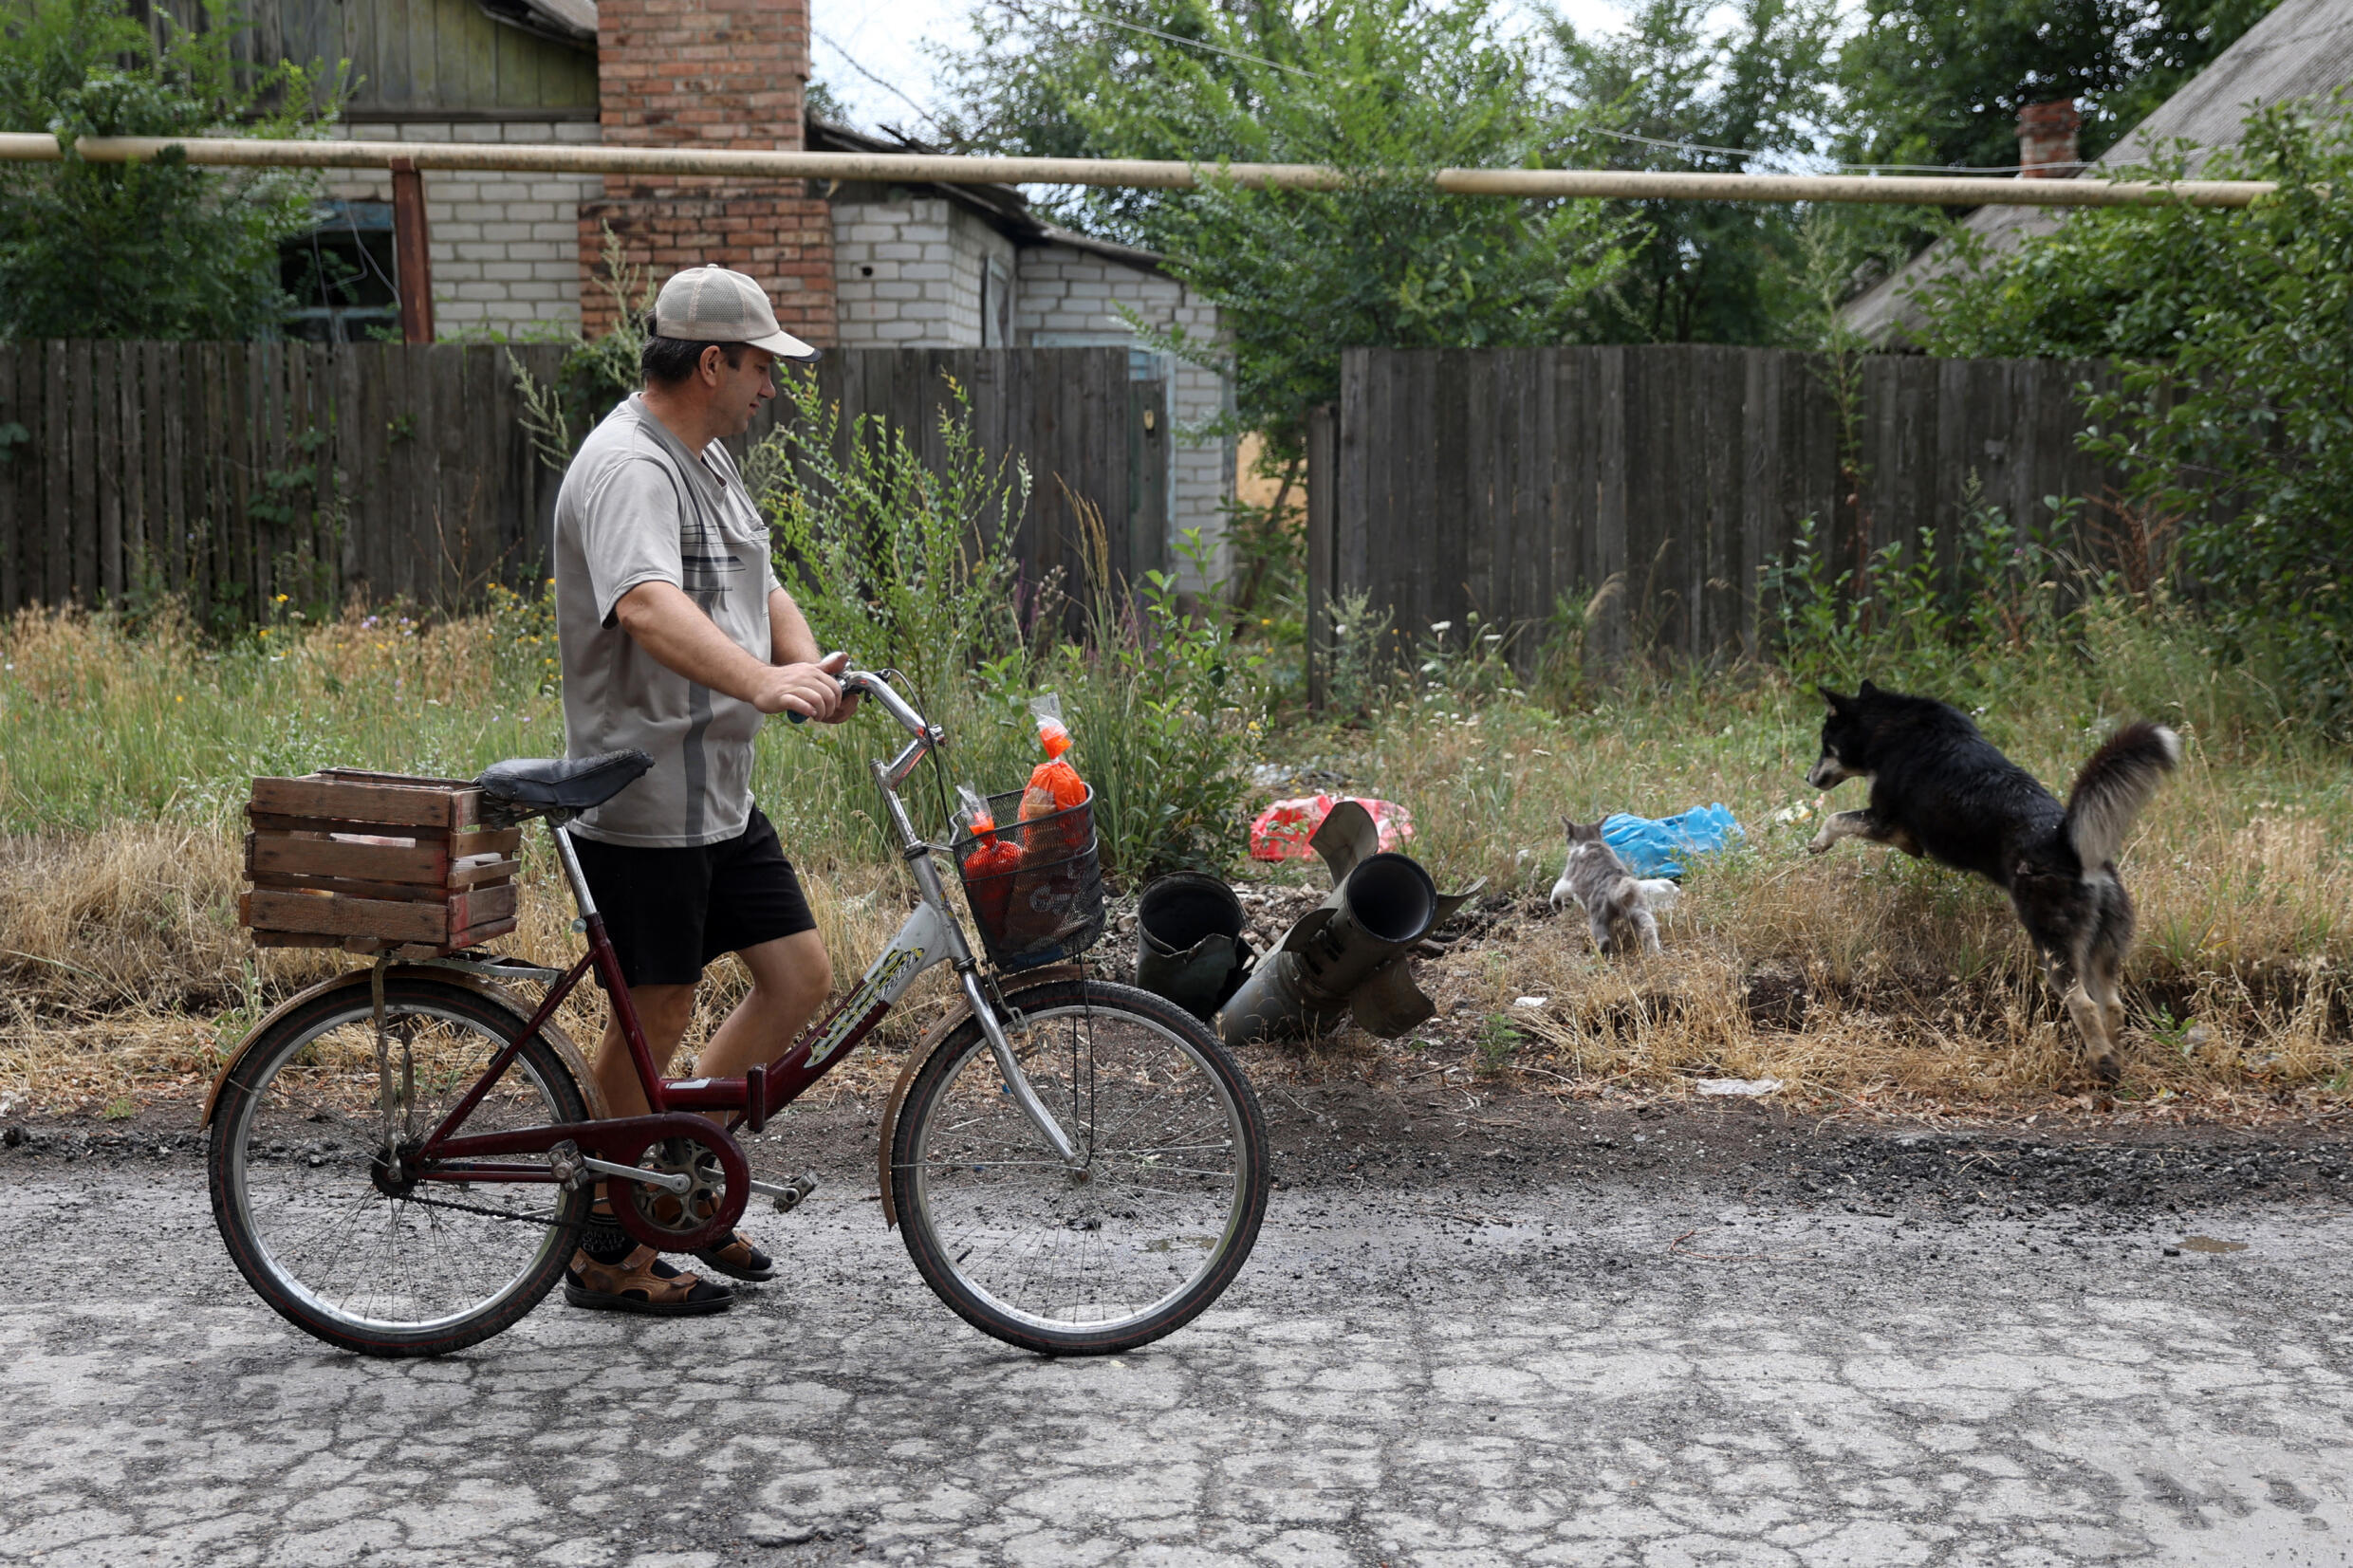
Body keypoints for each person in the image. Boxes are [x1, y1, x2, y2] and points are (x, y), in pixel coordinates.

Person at [550, 265, 858, 1316]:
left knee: (797, 977)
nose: (772, 386)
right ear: (712, 362)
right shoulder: (629, 467)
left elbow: (758, 583)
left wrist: (806, 667)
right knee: (656, 1016)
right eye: (763, 366)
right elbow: (644, 604)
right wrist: (765, 683)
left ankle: (675, 1188)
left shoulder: (706, 458)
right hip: (643, 796)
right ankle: (607, 1245)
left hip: (714, 790)